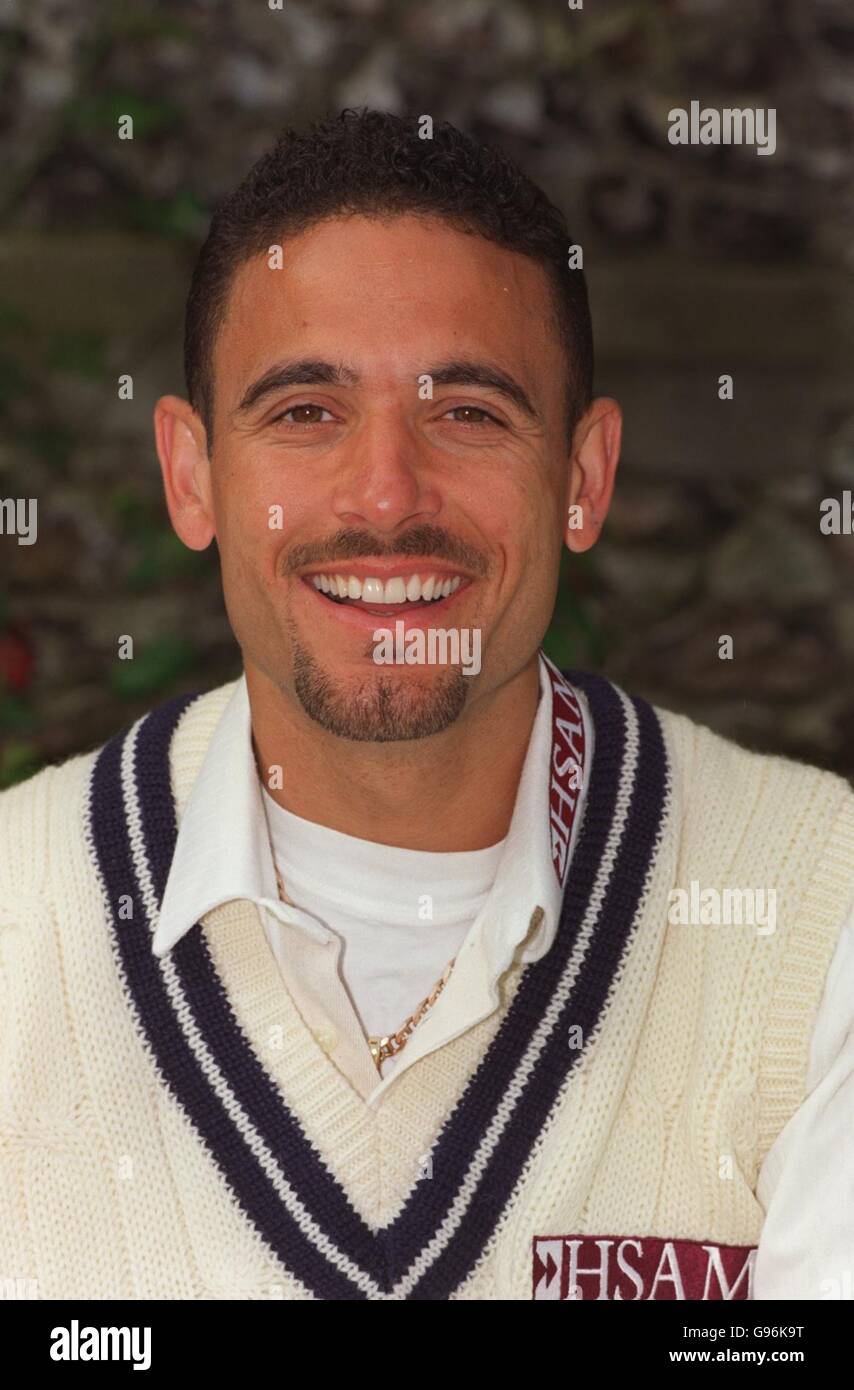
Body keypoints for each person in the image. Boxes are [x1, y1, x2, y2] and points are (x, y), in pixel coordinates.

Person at [1, 108, 852, 1302]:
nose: (387, 495)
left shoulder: (821, 915)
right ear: (192, 477)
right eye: (305, 411)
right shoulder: (16, 917)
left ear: (582, 478)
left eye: (468, 412)